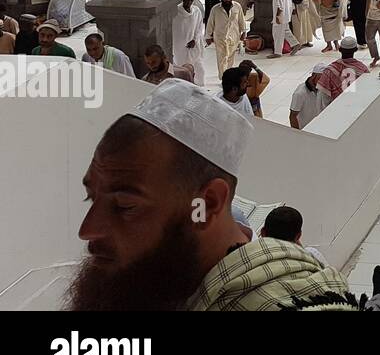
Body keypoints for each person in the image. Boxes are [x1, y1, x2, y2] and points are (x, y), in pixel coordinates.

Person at [71, 79, 356, 310]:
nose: (88, 230)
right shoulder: (151, 286)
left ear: (206, 205)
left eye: (125, 206)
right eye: (91, 197)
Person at [205, 0, 245, 74]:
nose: (227, 0)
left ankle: (229, 75)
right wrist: (208, 36)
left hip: (234, 36)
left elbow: (241, 20)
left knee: (230, 57)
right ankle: (223, 77)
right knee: (221, 58)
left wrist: (244, 32)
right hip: (220, 37)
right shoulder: (215, 9)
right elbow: (210, 23)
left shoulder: (237, 6)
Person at [289, 65, 329, 130]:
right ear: (313, 76)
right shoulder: (300, 93)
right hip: (306, 129)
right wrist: (297, 134)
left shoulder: (323, 89)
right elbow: (293, 116)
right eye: (321, 78)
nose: (323, 82)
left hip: (320, 128)